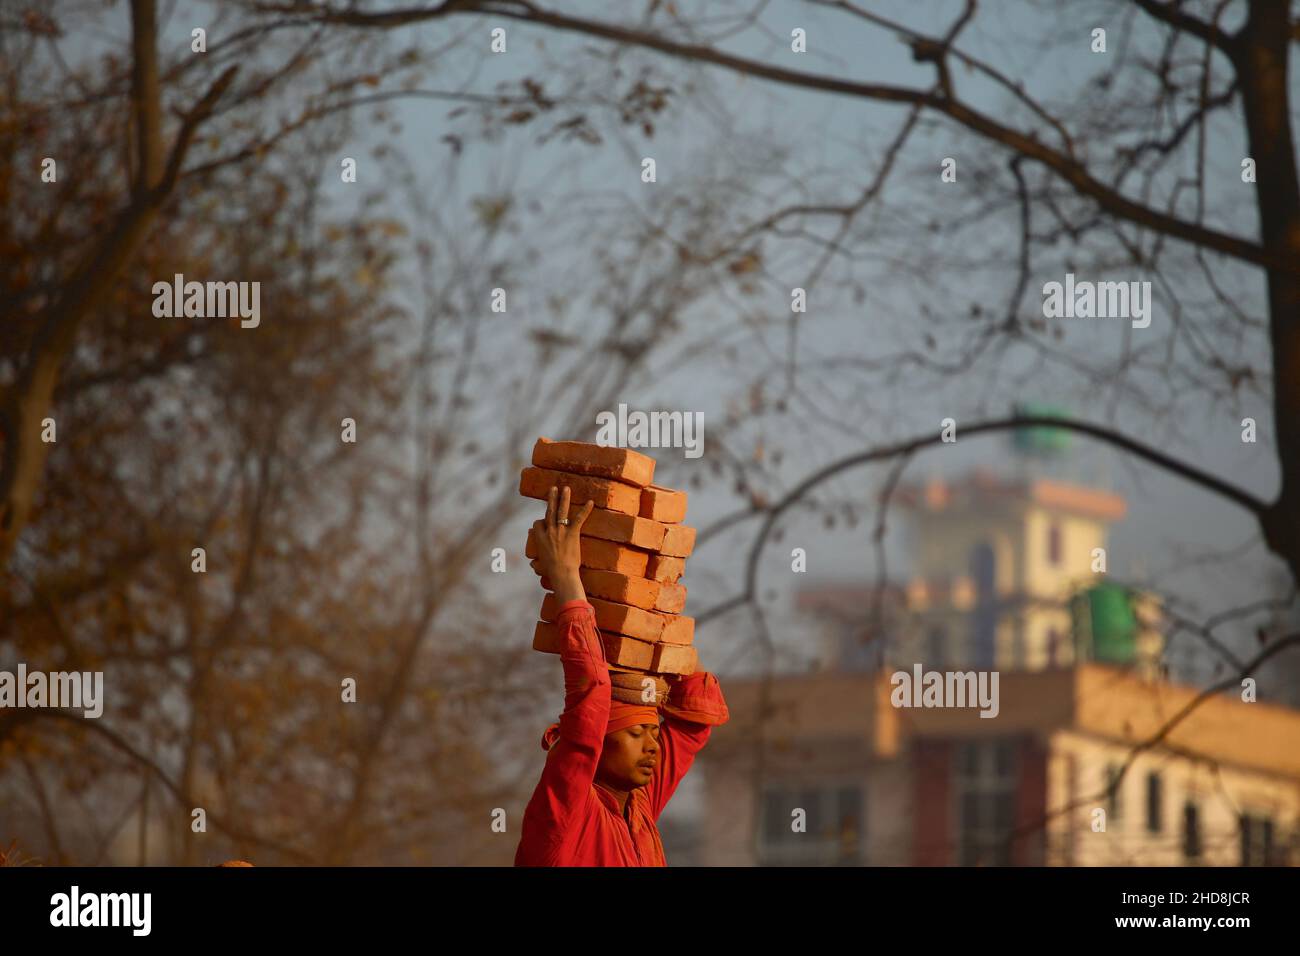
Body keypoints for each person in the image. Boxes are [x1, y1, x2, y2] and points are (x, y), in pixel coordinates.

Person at [515, 484, 729, 866]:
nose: (653, 746)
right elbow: (590, 702)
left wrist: (657, 612)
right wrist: (567, 579)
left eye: (652, 732)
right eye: (635, 733)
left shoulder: (637, 810)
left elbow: (695, 718)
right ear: (599, 741)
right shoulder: (568, 809)